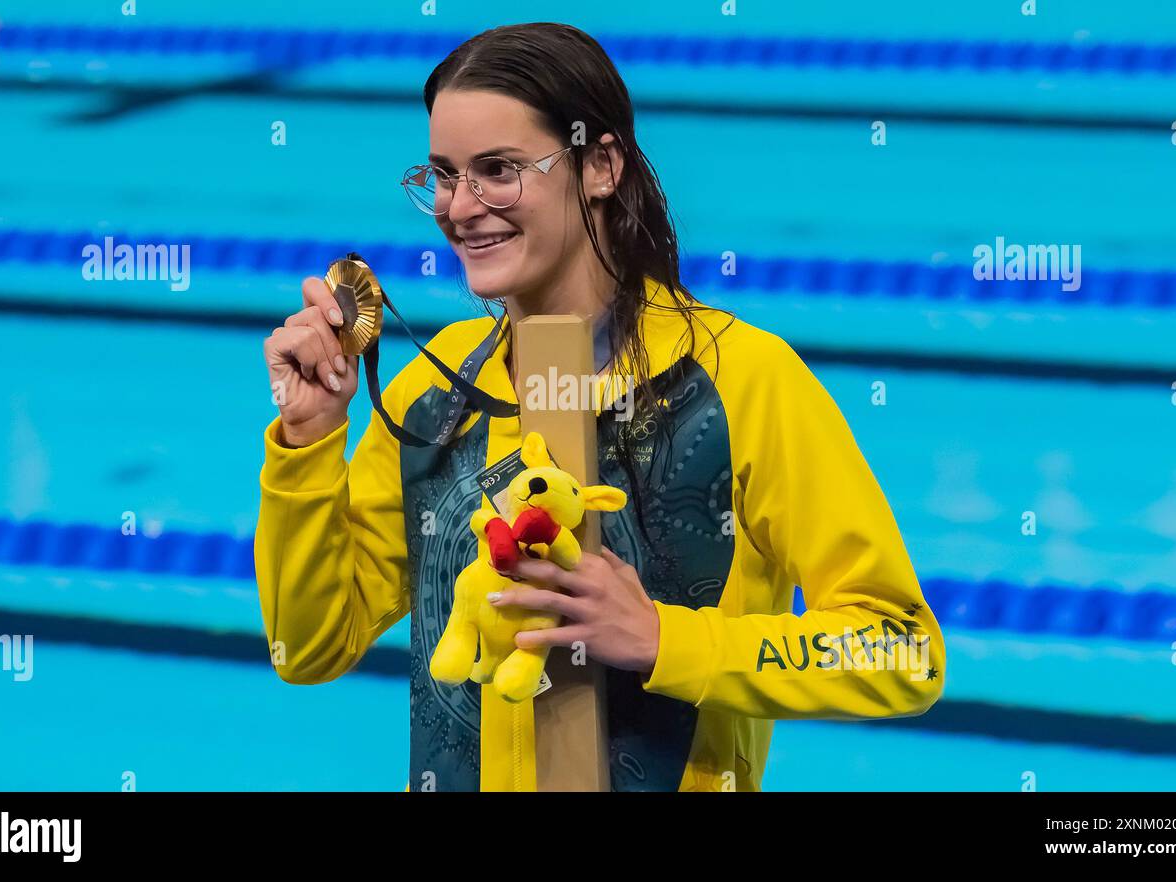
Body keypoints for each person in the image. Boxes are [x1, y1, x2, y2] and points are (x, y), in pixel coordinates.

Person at [256, 22, 944, 792]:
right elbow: (307, 647)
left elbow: (900, 651)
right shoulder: (434, 390)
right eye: (444, 176)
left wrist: (663, 640)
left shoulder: (743, 381)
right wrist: (307, 438)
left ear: (601, 165)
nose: (460, 208)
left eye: (499, 170)